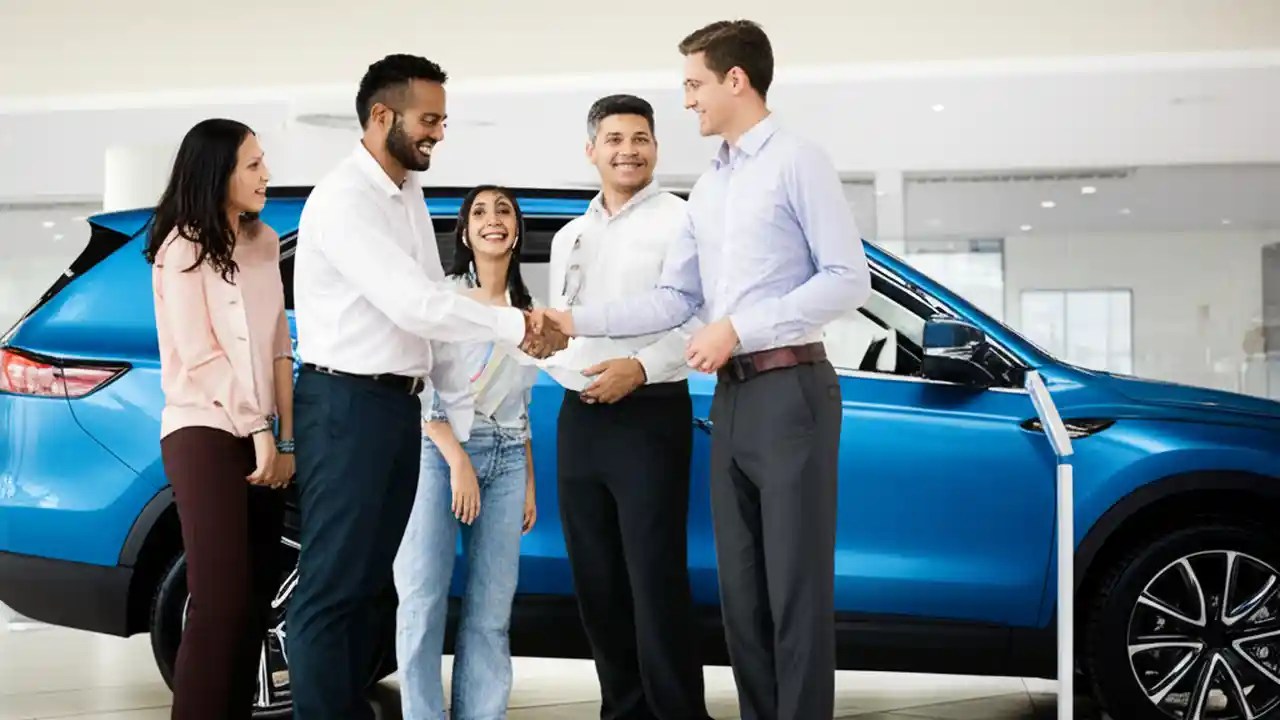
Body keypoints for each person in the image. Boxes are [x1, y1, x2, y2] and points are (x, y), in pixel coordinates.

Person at [536, 21, 872, 720]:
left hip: (792, 389)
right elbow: (674, 300)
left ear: (735, 81)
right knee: (742, 596)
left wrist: (740, 327)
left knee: (793, 593)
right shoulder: (712, 184)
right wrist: (577, 321)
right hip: (730, 399)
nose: (687, 100)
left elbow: (848, 278)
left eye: (694, 85)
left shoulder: (797, 160)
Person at [286, 55, 566, 720]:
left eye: (442, 119)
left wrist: (460, 418)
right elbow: (417, 303)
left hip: (393, 408)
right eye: (429, 119)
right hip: (345, 405)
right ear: (382, 115)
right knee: (333, 590)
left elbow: (429, 332)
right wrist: (513, 324)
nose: (439, 132)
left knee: (370, 594)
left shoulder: (406, 193)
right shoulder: (346, 198)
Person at [542, 94, 712, 720]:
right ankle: (623, 709)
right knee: (597, 578)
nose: (628, 150)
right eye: (614, 139)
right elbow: (568, 329)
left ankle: (677, 712)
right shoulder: (570, 235)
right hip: (579, 416)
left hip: (651, 411)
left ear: (656, 148)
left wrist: (638, 369)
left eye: (640, 138)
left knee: (654, 574)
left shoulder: (682, 221)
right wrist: (547, 352)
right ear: (592, 150)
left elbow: (700, 316)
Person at [144, 118, 294, 720]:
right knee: (219, 601)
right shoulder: (181, 247)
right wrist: (259, 430)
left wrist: (284, 438)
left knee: (254, 603)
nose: (266, 175)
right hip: (203, 431)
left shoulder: (264, 242)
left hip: (262, 436)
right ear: (217, 172)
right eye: (253, 165)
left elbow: (279, 347)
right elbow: (200, 354)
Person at [392, 185, 541, 720]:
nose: (493, 219)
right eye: (480, 212)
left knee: (491, 612)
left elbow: (520, 403)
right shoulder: (445, 298)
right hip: (440, 453)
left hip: (506, 459)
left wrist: (527, 481)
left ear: (517, 230)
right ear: (464, 232)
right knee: (423, 601)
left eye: (504, 211)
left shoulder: (528, 313)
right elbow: (425, 387)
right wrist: (457, 460)